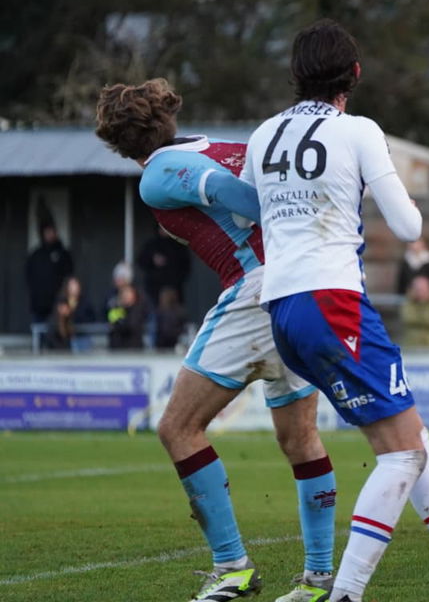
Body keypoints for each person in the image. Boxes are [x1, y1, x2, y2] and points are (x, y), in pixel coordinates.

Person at [243, 19, 429, 602]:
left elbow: (257, 211)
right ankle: (345, 594)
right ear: (354, 75)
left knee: (408, 445)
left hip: (281, 307)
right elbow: (409, 226)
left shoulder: (263, 137)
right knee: (404, 452)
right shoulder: (357, 131)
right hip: (333, 301)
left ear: (295, 74)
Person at [96, 78, 338, 602]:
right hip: (302, 286)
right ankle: (318, 580)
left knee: (177, 427)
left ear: (118, 144)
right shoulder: (229, 146)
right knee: (300, 439)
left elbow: (237, 198)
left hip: (257, 291)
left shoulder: (158, 174)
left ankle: (232, 566)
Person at [25, 222, 74, 324]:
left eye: (52, 232)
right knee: (39, 332)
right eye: (47, 232)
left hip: (58, 304)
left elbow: (69, 276)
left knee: (58, 331)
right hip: (39, 304)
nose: (49, 235)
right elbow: (28, 276)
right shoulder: (36, 255)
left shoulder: (63, 254)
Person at [45, 276, 97, 351]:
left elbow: (91, 318)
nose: (74, 289)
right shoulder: (61, 301)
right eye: (72, 286)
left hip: (81, 336)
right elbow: (54, 319)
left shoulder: (85, 302)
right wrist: (63, 315)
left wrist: (72, 312)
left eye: (76, 286)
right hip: (64, 339)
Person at [401, 275, 429, 348]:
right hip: (412, 345)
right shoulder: (408, 303)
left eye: (424, 289)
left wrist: (422, 306)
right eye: (418, 289)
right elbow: (408, 318)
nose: (421, 292)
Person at [106, 283, 148, 351]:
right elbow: (112, 327)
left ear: (134, 296)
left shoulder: (138, 309)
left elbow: (131, 326)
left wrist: (120, 323)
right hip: (117, 349)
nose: (125, 296)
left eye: (128, 293)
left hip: (134, 349)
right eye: (123, 293)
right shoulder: (115, 309)